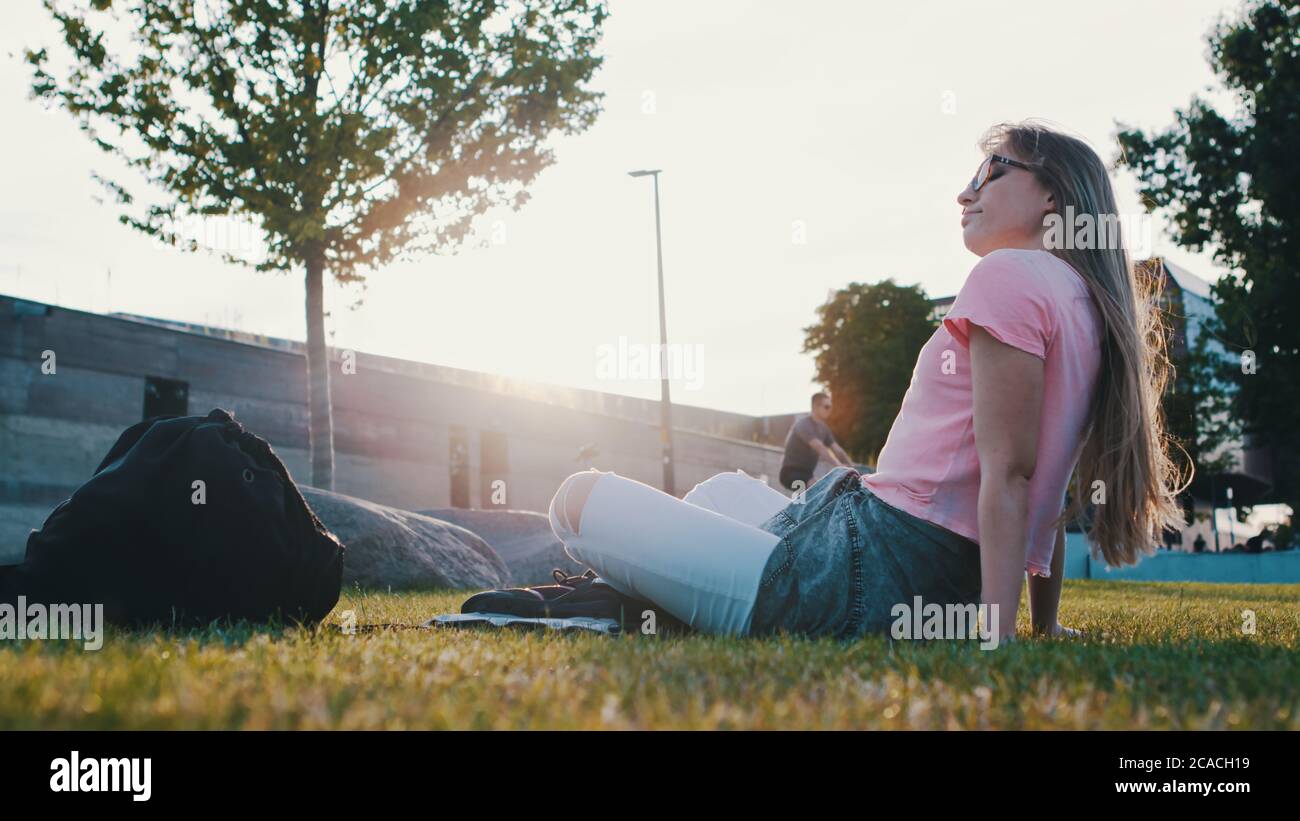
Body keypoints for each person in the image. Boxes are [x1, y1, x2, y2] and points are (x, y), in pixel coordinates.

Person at [546, 119, 1188, 644]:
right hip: (871, 549)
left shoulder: (1011, 277)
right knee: (717, 491)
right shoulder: (1088, 305)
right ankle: (647, 594)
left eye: (991, 170)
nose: (966, 194)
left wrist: (1000, 640)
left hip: (864, 572)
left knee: (575, 497)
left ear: (1053, 196)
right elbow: (1049, 488)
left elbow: (1013, 475)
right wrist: (1041, 624)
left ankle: (626, 601)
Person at [778, 392, 854, 491]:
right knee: (817, 491)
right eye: (826, 407)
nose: (829, 410)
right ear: (815, 407)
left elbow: (837, 449)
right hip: (790, 473)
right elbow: (819, 447)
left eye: (830, 407)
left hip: (807, 474)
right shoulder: (803, 424)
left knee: (818, 493)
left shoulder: (824, 428)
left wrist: (852, 467)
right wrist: (839, 466)